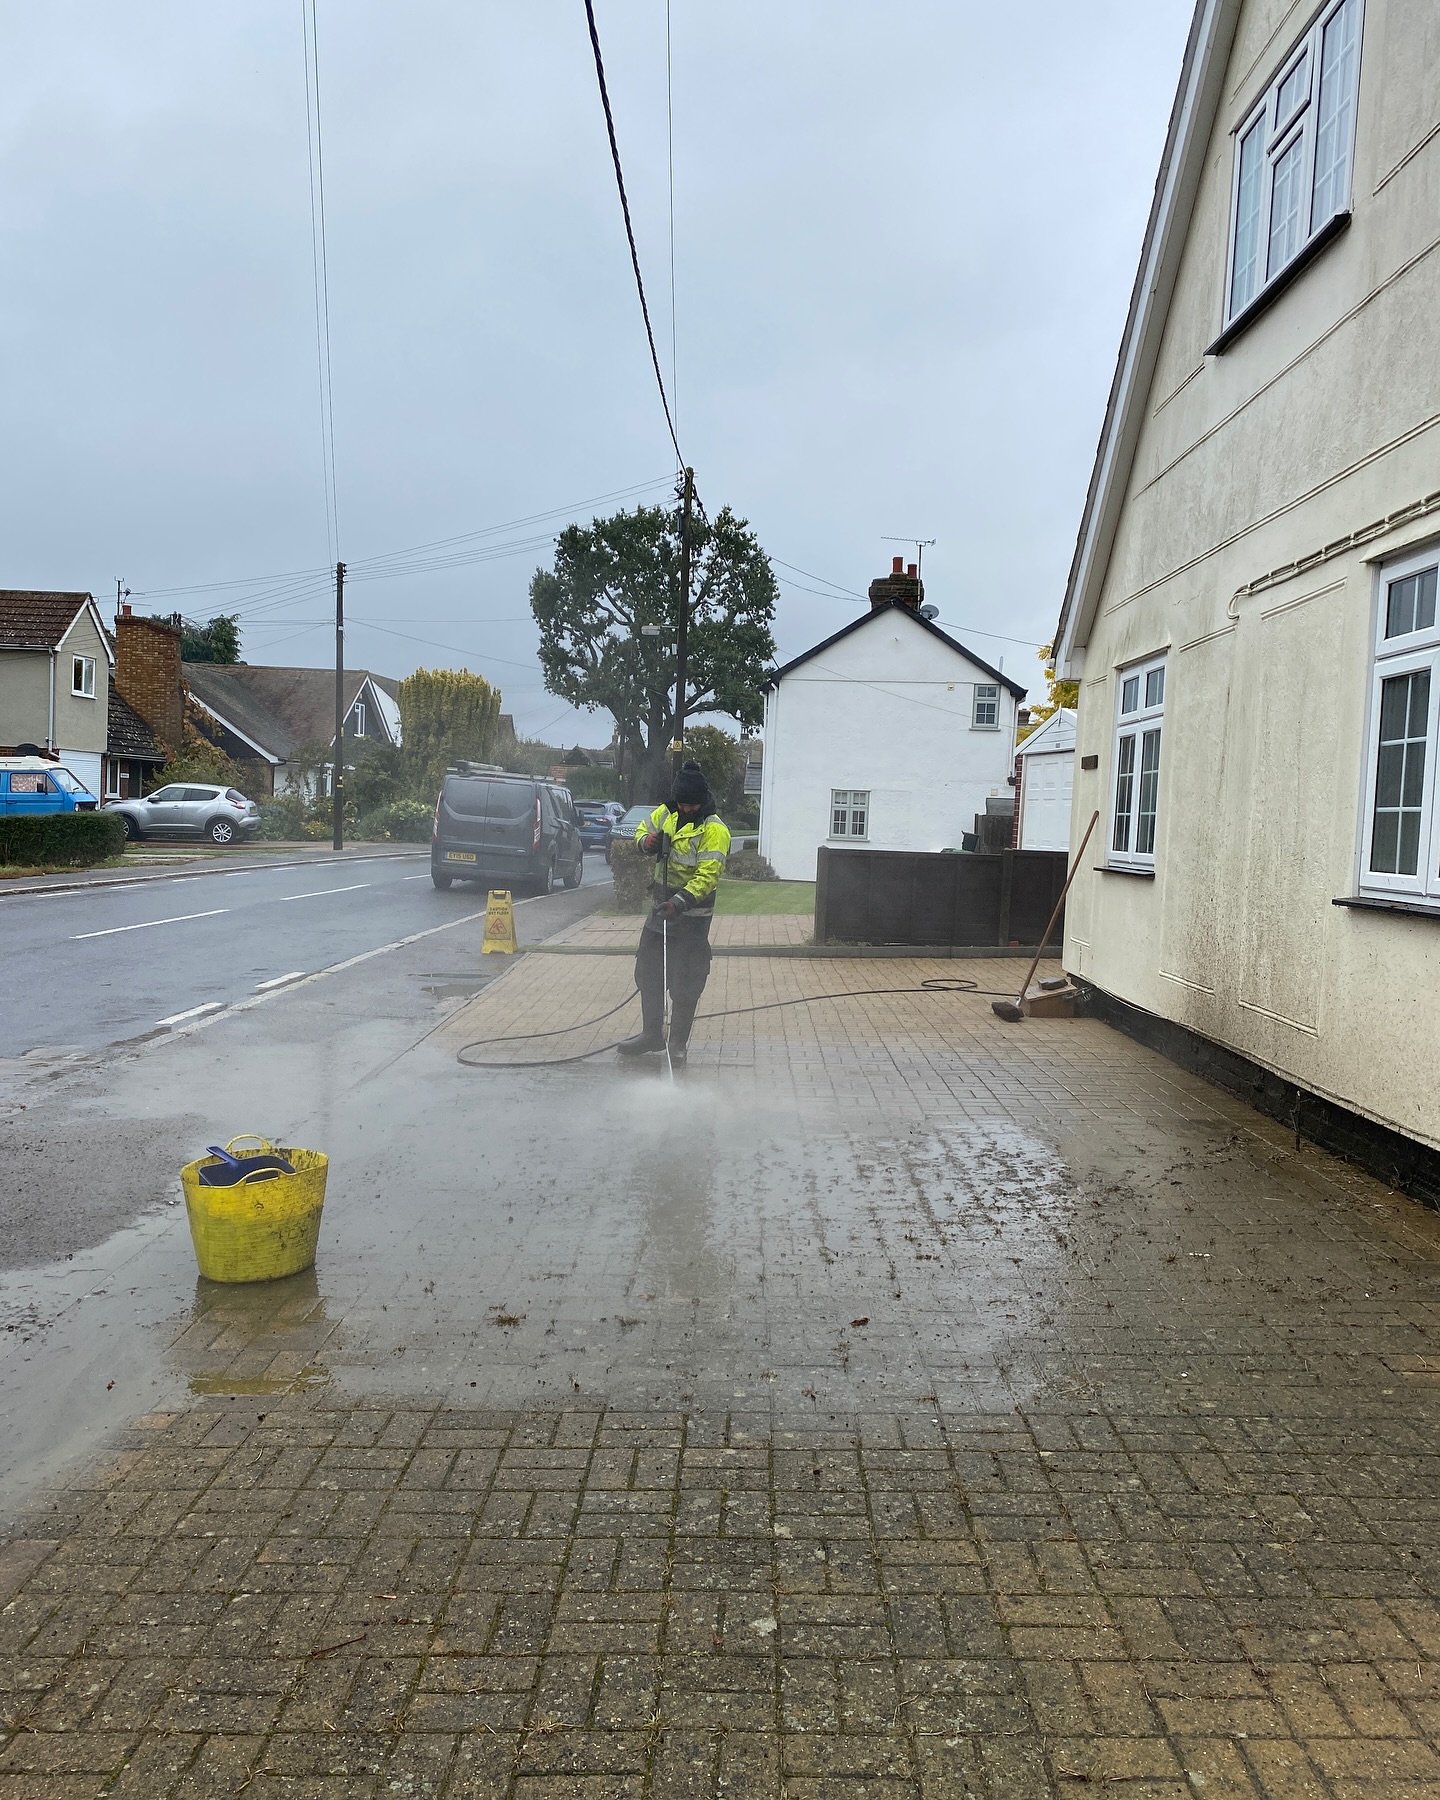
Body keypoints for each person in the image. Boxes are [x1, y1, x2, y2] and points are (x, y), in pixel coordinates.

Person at [616, 761, 731, 1068]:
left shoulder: (715, 829)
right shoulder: (665, 813)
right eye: (682, 803)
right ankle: (651, 1035)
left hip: (692, 917)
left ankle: (677, 1044)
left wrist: (678, 904)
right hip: (659, 912)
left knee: (686, 980)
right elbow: (642, 829)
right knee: (649, 973)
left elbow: (707, 877)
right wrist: (646, 842)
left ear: (701, 800)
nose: (687, 808)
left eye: (691, 804)